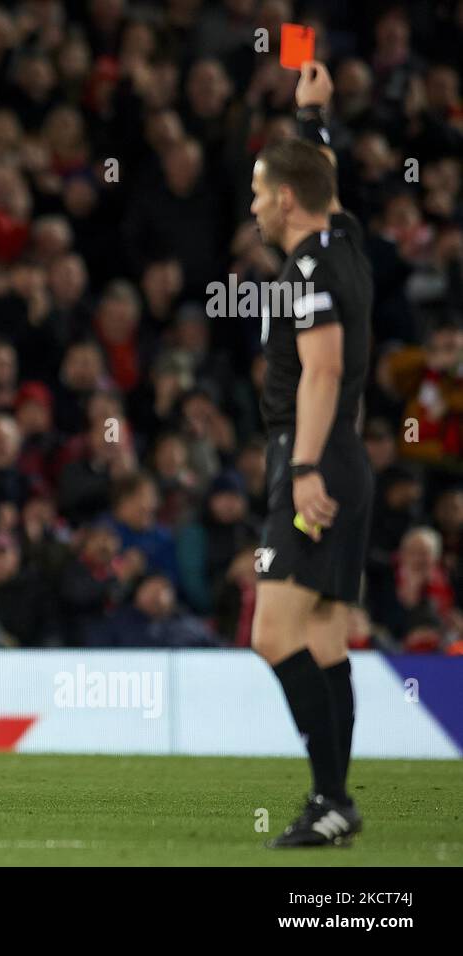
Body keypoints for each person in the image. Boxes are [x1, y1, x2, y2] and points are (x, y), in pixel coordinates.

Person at [249, 62, 374, 848]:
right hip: (342, 459)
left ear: (285, 201)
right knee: (325, 640)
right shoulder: (344, 240)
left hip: (314, 460)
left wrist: (301, 472)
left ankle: (330, 797)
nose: (256, 204)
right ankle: (334, 802)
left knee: (273, 635)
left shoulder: (307, 270)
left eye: (262, 192)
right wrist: (314, 119)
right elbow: (320, 185)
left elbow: (323, 370)